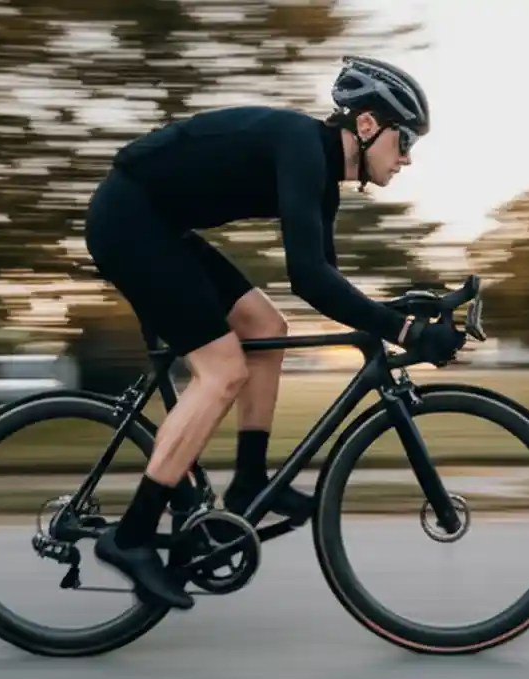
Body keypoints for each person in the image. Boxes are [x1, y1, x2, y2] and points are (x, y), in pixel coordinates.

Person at [84, 55, 462, 609]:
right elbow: (308, 278)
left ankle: (248, 480)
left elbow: (328, 283)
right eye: (404, 140)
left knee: (266, 325)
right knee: (222, 371)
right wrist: (405, 330)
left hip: (160, 226)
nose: (407, 157)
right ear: (366, 125)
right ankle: (132, 536)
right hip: (128, 221)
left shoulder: (321, 176)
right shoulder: (302, 148)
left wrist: (406, 311)